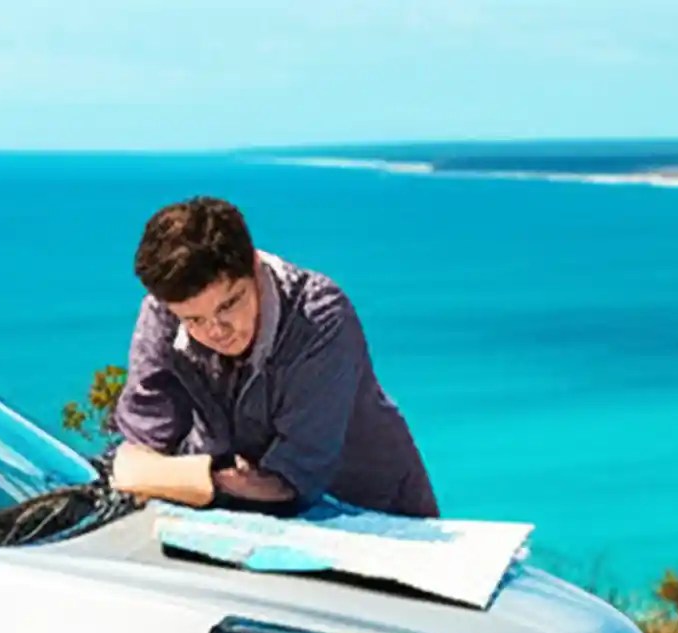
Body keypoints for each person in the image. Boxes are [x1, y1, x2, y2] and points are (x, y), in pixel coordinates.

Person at [108, 196, 439, 518]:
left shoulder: (318, 318)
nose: (217, 331)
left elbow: (289, 482)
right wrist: (186, 477)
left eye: (229, 305)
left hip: (378, 512)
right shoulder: (165, 311)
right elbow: (142, 444)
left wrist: (189, 479)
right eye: (194, 320)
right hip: (241, 514)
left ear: (254, 266)